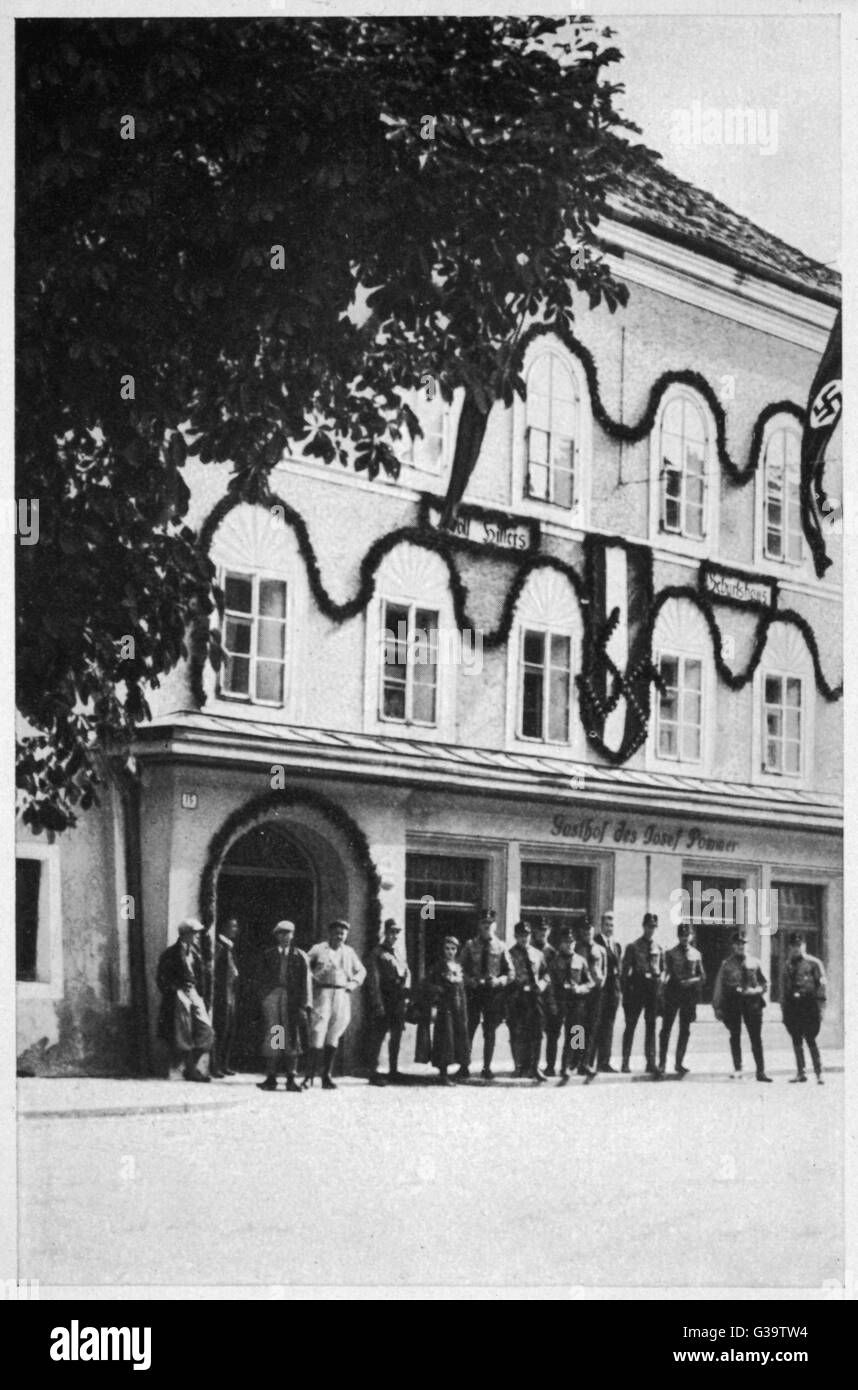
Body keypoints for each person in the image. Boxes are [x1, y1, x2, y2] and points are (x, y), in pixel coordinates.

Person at [307, 920, 366, 1089]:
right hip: (323, 993)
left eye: (343, 933)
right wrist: (312, 977)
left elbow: (361, 970)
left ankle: (326, 1075)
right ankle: (309, 1076)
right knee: (318, 1030)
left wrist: (353, 983)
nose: (339, 936)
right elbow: (304, 963)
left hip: (341, 993)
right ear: (330, 933)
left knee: (335, 1031)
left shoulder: (349, 952)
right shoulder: (319, 948)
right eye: (336, 933)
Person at [155, 918, 215, 1083]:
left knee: (206, 1030)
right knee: (183, 1031)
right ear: (186, 934)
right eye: (194, 933)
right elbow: (161, 978)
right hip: (179, 993)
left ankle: (191, 1066)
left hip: (193, 992)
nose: (196, 936)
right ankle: (187, 1070)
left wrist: (200, 994)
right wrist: (174, 992)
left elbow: (199, 976)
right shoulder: (171, 953)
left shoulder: (194, 952)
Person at [257, 921, 312, 1093]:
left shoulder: (300, 956)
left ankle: (291, 1078)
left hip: (292, 999)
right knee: (276, 1033)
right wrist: (265, 997)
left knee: (291, 1036)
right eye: (281, 933)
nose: (285, 936)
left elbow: (306, 982)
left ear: (293, 935)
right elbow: (260, 978)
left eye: (288, 933)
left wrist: (304, 1005)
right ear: (276, 936)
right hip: (274, 997)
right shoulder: (269, 955)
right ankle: (271, 1077)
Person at [712, 930, 772, 1082]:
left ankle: (761, 1071)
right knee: (735, 1036)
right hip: (734, 1002)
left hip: (752, 1003)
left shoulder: (756, 963)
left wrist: (755, 990)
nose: (741, 946)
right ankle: (738, 1068)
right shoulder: (726, 964)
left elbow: (765, 984)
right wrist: (717, 1007)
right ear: (733, 946)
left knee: (756, 1038)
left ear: (748, 945)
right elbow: (719, 986)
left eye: (743, 943)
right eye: (738, 944)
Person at [460, 909, 511, 1081]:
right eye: (483, 923)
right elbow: (460, 968)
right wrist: (470, 981)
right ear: (479, 925)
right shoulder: (469, 945)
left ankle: (487, 1067)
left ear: (495, 926)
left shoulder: (501, 946)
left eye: (489, 924)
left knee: (489, 1031)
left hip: (492, 993)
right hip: (474, 992)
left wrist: (498, 981)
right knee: (469, 1028)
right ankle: (464, 1065)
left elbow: (510, 973)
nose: (486, 927)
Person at [366, 919, 411, 1086]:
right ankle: (373, 1071)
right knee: (378, 1035)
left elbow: (407, 971)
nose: (394, 935)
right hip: (385, 997)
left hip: (398, 998)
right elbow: (373, 980)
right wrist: (377, 1003)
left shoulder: (398, 952)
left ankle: (393, 1070)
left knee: (397, 1034)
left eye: (397, 932)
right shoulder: (377, 953)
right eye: (392, 932)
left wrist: (407, 992)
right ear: (385, 932)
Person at [549, 925, 595, 1082]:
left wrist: (580, 988)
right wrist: (553, 1004)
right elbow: (550, 985)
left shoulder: (580, 960)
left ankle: (571, 1065)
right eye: (565, 942)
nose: (569, 945)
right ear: (560, 943)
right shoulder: (555, 962)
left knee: (576, 1033)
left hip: (576, 1001)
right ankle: (552, 1066)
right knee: (554, 1034)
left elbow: (590, 982)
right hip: (561, 1001)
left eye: (571, 942)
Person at [658, 923, 705, 1077]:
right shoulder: (670, 953)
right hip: (673, 993)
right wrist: (661, 992)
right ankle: (662, 1063)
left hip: (688, 996)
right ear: (678, 936)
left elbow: (702, 977)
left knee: (685, 1030)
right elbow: (665, 973)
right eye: (682, 935)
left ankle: (679, 1063)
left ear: (691, 936)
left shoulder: (696, 954)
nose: (685, 938)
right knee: (666, 1029)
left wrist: (691, 981)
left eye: (688, 935)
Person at [621, 912, 665, 1075]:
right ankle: (625, 1061)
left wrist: (659, 990)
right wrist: (626, 994)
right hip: (636, 989)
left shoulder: (659, 948)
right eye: (648, 926)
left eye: (653, 927)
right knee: (631, 1025)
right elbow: (624, 973)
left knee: (651, 1026)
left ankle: (651, 1062)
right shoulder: (633, 947)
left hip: (652, 990)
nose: (651, 929)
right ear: (643, 926)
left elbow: (663, 970)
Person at [781, 930, 827, 1085]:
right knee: (796, 1040)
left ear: (804, 945)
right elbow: (784, 988)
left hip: (809, 1007)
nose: (796, 948)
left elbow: (821, 987)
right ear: (790, 947)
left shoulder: (814, 963)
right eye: (794, 945)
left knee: (811, 1039)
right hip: (793, 1008)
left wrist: (821, 1009)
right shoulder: (787, 965)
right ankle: (801, 1072)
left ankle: (819, 1073)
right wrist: (784, 1010)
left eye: (799, 945)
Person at [507, 921, 549, 1081]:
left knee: (537, 1032)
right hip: (517, 997)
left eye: (526, 935)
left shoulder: (538, 954)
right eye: (520, 936)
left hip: (535, 997)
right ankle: (519, 1067)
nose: (524, 939)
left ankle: (535, 1067)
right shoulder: (509, 954)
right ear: (515, 936)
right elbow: (506, 974)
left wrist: (542, 985)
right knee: (518, 1032)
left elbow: (546, 973)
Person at [429, 937, 471, 1085]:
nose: (450, 952)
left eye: (453, 949)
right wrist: (438, 995)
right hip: (445, 1007)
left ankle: (462, 1068)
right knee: (445, 1039)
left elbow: (462, 988)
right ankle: (443, 1073)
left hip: (458, 1007)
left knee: (459, 1036)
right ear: (443, 950)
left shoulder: (459, 966)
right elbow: (431, 985)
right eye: (447, 948)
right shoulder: (439, 966)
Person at [573, 919, 607, 1080]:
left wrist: (602, 981)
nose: (588, 934)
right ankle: (574, 1060)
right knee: (578, 1027)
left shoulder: (600, 949)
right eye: (585, 932)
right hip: (580, 991)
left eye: (590, 932)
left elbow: (604, 968)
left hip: (596, 992)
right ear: (581, 933)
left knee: (592, 1028)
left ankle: (586, 1062)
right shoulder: (577, 949)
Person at [211, 917, 240, 1078]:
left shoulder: (229, 947)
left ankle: (224, 1064)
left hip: (230, 994)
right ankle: (216, 1066)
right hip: (222, 994)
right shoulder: (220, 946)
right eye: (232, 926)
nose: (235, 929)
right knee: (220, 1029)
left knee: (229, 1030)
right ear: (224, 928)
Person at [594, 910, 622, 1072]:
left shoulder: (616, 945)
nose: (609, 928)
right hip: (599, 992)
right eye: (606, 925)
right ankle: (584, 1061)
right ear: (601, 926)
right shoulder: (595, 942)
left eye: (612, 925)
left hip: (613, 993)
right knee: (591, 1027)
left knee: (608, 1027)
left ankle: (604, 1061)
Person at [532, 919, 560, 1075]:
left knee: (556, 1033)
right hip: (535, 998)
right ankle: (532, 1065)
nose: (542, 933)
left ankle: (573, 1063)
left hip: (554, 997)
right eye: (539, 930)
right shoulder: (530, 949)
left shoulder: (553, 953)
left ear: (549, 931)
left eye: (545, 930)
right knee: (535, 1033)